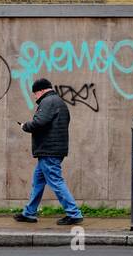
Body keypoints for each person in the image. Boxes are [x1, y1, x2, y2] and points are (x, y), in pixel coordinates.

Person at [14, 77, 84, 226]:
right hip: (51, 150)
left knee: (56, 181)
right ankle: (29, 213)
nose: (35, 97)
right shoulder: (58, 102)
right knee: (38, 182)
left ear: (41, 91)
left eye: (35, 94)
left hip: (49, 151)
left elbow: (39, 122)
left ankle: (74, 213)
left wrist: (25, 126)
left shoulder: (48, 102)